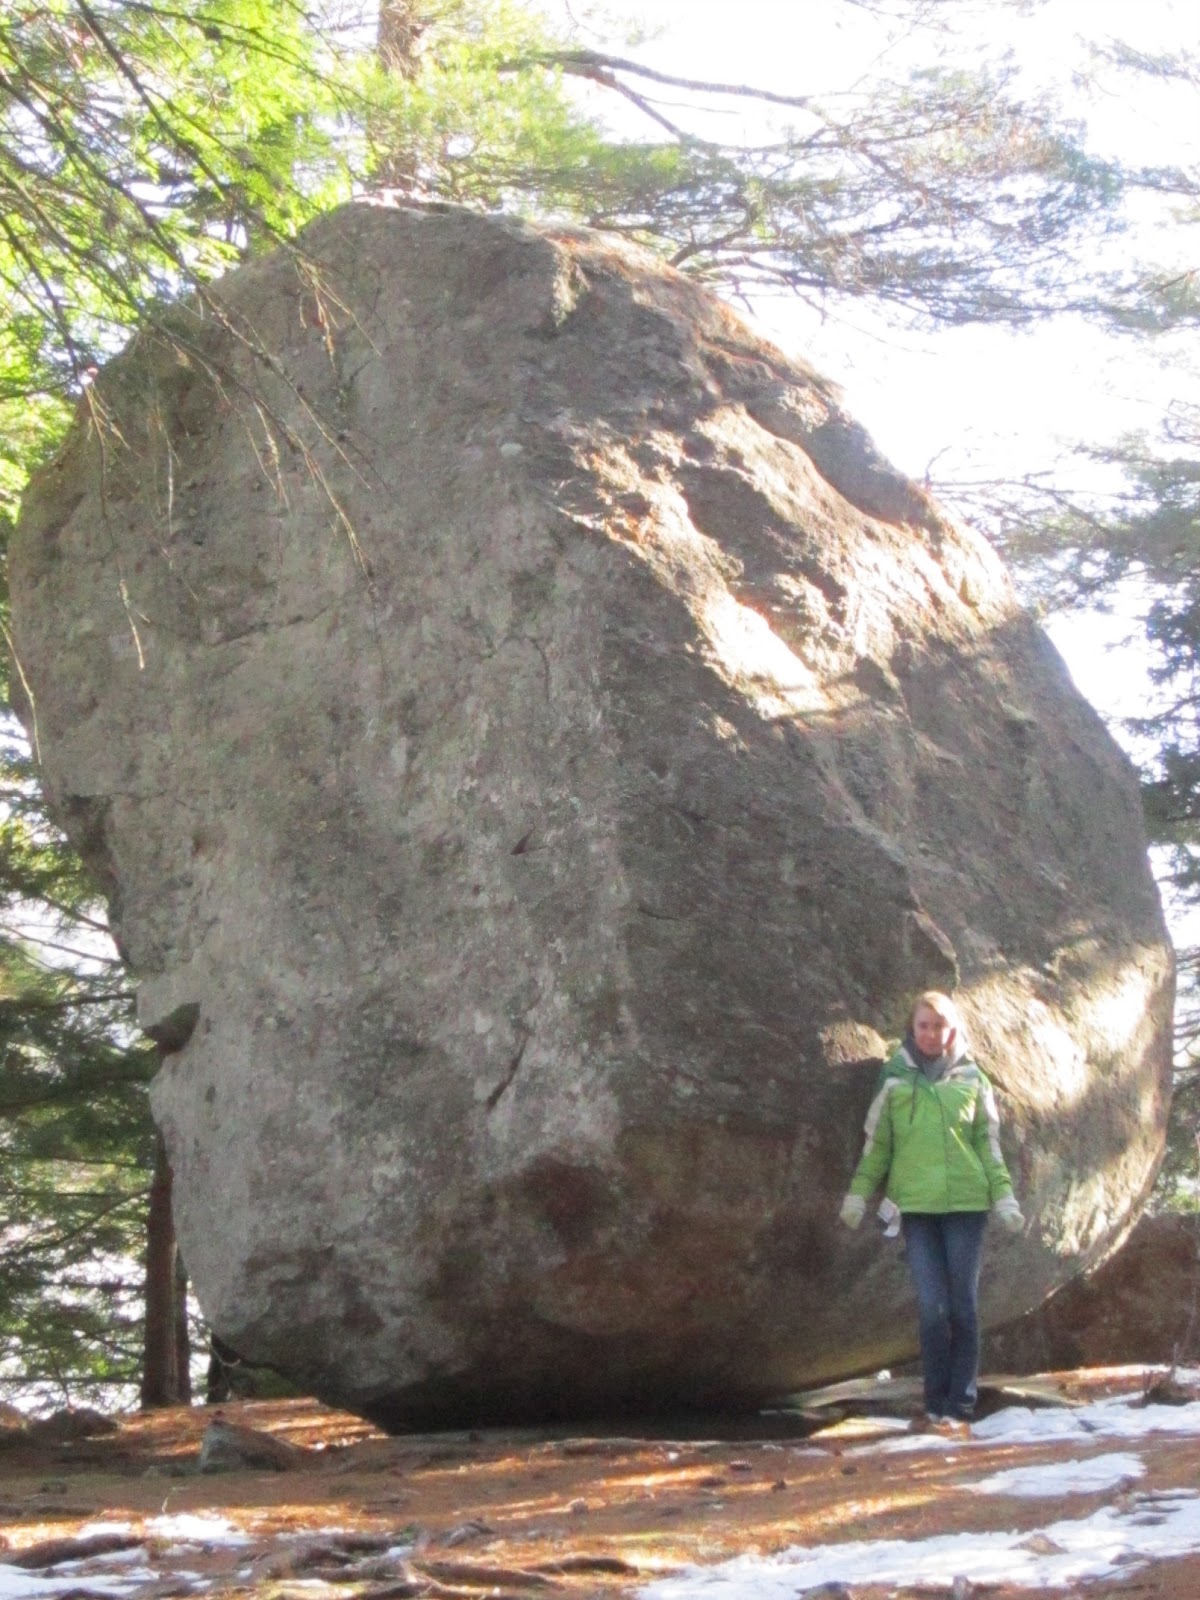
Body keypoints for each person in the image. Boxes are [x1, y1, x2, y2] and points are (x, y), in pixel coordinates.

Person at [838, 989, 1024, 1432]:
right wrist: (857, 1195)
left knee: (963, 1305)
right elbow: (878, 1146)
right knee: (931, 1307)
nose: (930, 1033)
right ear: (912, 1029)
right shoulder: (894, 1080)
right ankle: (934, 1402)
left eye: (938, 1025)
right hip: (916, 1209)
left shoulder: (974, 1081)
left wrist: (1005, 1197)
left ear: (952, 1031)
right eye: (923, 1025)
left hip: (966, 1207)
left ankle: (959, 1407)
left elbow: (988, 1144)